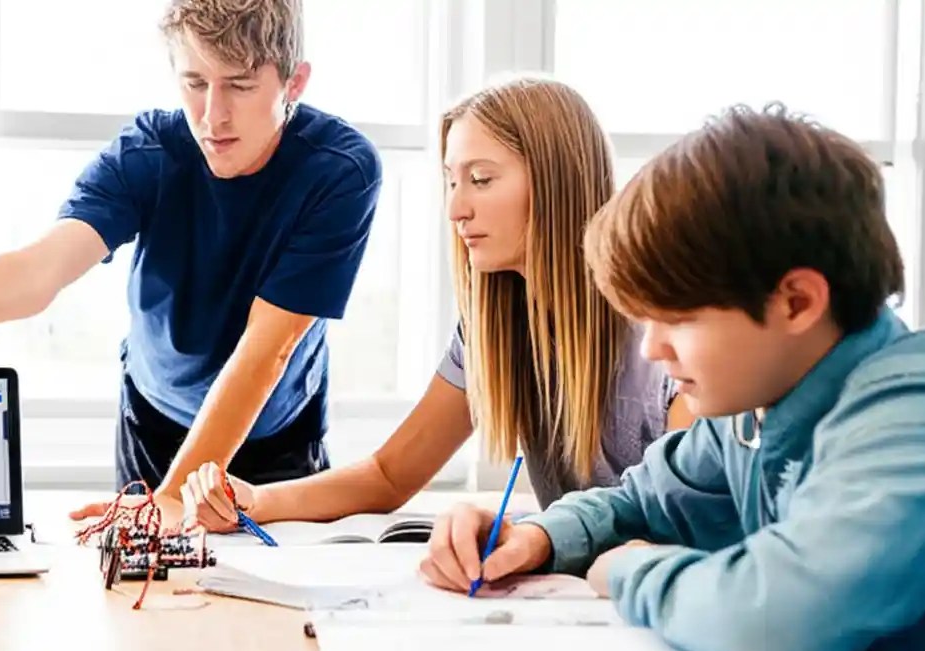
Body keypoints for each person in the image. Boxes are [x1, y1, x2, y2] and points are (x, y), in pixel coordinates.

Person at [0, 0, 383, 525]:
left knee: (266, 632)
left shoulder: (340, 172)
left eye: (240, 86)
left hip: (274, 441)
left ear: (294, 83)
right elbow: (40, 271)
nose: (212, 116)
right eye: (195, 83)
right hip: (153, 424)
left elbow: (266, 350)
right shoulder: (149, 151)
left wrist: (175, 498)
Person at [421, 104, 925, 651]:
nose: (652, 348)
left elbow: (774, 627)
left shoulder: (914, 410)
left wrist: (635, 570)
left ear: (797, 302)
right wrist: (534, 537)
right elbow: (635, 501)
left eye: (680, 319)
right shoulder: (753, 406)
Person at [180, 77, 692, 532]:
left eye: (481, 179)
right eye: (451, 180)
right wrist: (256, 500)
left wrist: (539, 539)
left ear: (558, 180)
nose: (455, 208)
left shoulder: (671, 343)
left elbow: (695, 528)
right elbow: (390, 474)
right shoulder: (493, 329)